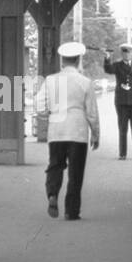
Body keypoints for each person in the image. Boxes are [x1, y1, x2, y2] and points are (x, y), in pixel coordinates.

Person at [34, 41, 100, 220]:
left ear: (62, 61)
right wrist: (95, 133)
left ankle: (53, 194)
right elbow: (92, 112)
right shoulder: (85, 82)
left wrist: (47, 115)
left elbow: (39, 104)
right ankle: (71, 211)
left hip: (57, 130)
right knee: (75, 173)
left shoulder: (50, 80)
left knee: (55, 165)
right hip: (78, 132)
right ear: (78, 61)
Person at [103, 42, 132, 159]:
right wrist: (107, 57)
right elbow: (108, 69)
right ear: (122, 53)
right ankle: (122, 154)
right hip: (122, 102)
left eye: (129, 52)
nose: (126, 55)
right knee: (123, 128)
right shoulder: (117, 65)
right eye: (124, 52)